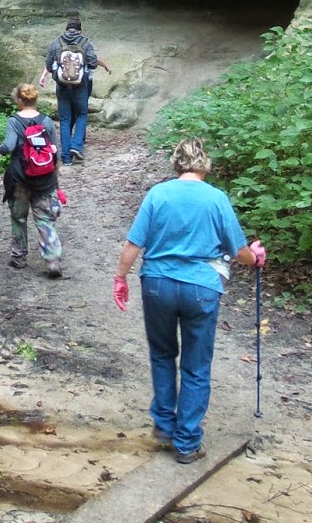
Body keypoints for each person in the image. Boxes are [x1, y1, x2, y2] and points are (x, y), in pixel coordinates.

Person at [113, 137, 266, 463]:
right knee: (196, 365)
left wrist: (120, 278)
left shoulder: (158, 194)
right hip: (201, 288)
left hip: (157, 284)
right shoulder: (216, 199)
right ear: (204, 164)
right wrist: (255, 257)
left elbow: (132, 244)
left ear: (176, 163)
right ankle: (186, 443)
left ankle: (165, 426)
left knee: (162, 354)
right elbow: (239, 253)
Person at [0, 82, 64, 277]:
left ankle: (19, 257)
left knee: (18, 218)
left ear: (21, 101)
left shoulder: (14, 121)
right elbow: (55, 151)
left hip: (20, 179)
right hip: (44, 179)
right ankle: (53, 260)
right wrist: (55, 180)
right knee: (45, 220)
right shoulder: (46, 121)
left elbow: (8, 145)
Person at [39, 15, 110, 166]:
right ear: (80, 30)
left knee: (64, 120)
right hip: (80, 87)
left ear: (66, 29)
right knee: (81, 115)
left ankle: (65, 158)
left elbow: (49, 65)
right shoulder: (85, 43)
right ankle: (76, 146)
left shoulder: (56, 43)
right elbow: (92, 63)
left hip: (62, 87)